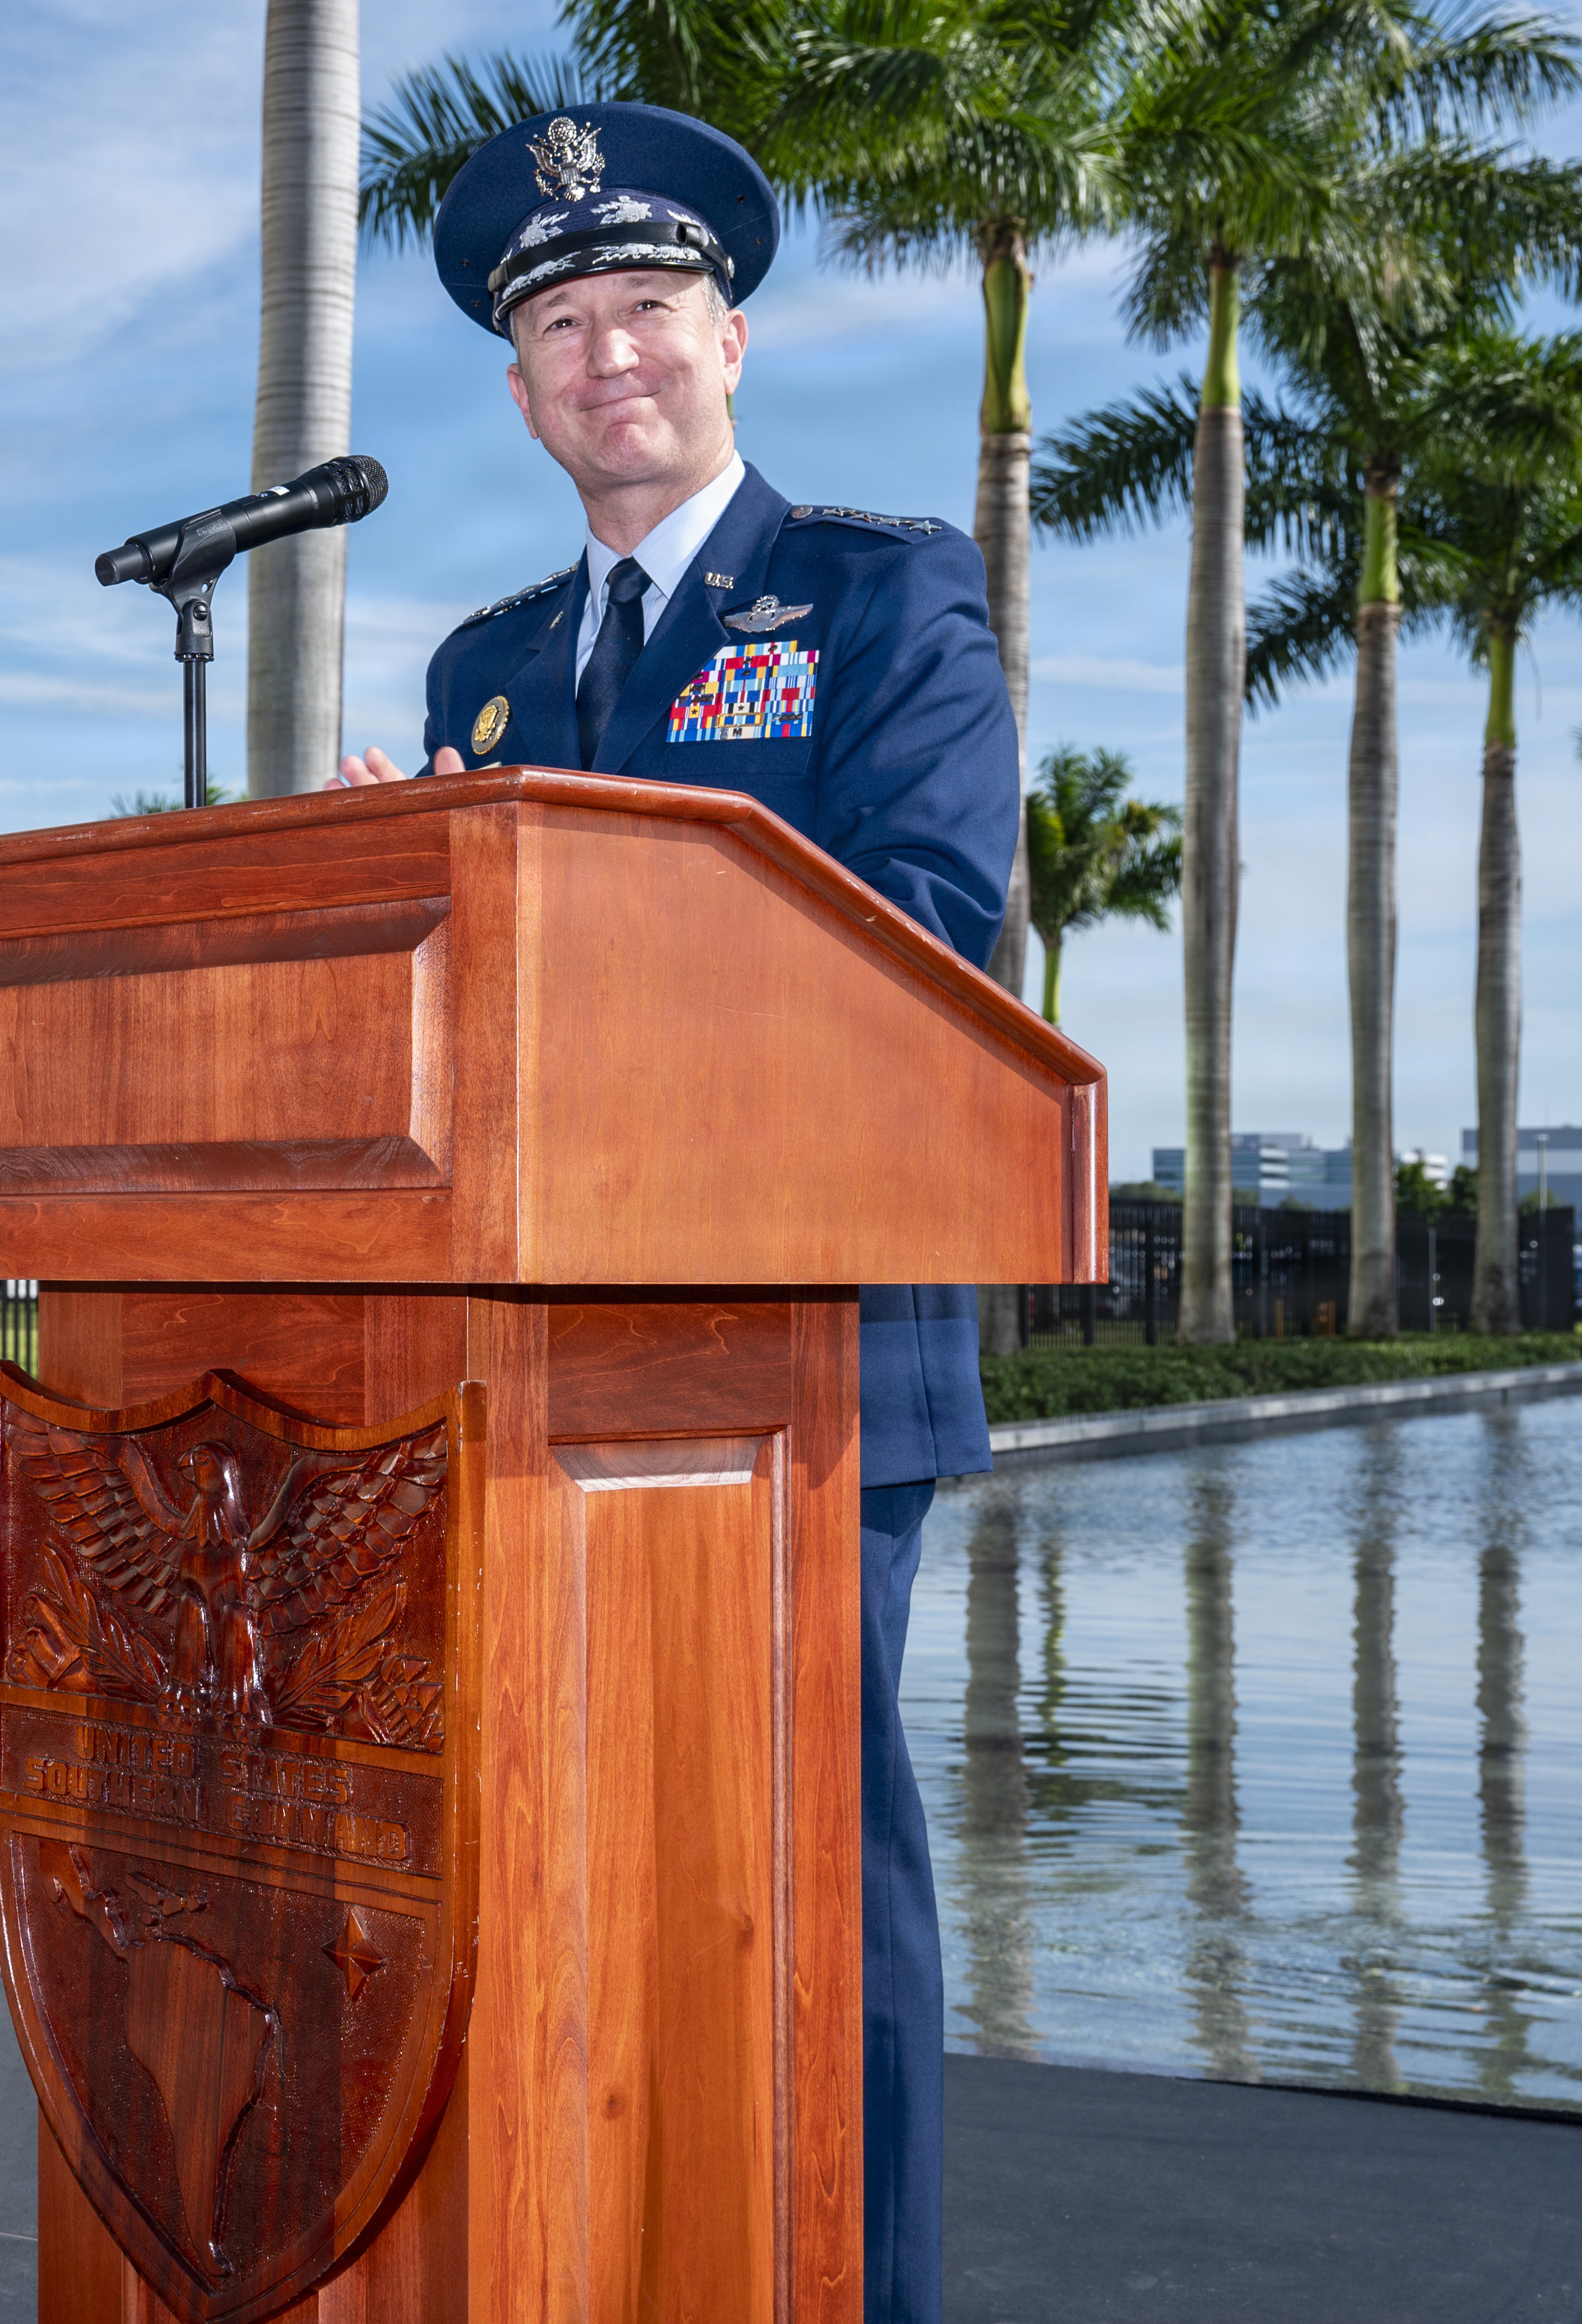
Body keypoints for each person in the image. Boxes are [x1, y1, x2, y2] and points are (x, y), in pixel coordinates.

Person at [336, 103, 1018, 2324]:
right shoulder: (487, 665)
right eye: (555, 326)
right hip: (526, 1361)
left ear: (729, 340)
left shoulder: (876, 586)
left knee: (810, 1871)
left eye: (643, 309)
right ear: (517, 392)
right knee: (570, 1865)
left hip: (803, 1347)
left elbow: (925, 933)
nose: (602, 353)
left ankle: (867, 2287)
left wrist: (556, 905)